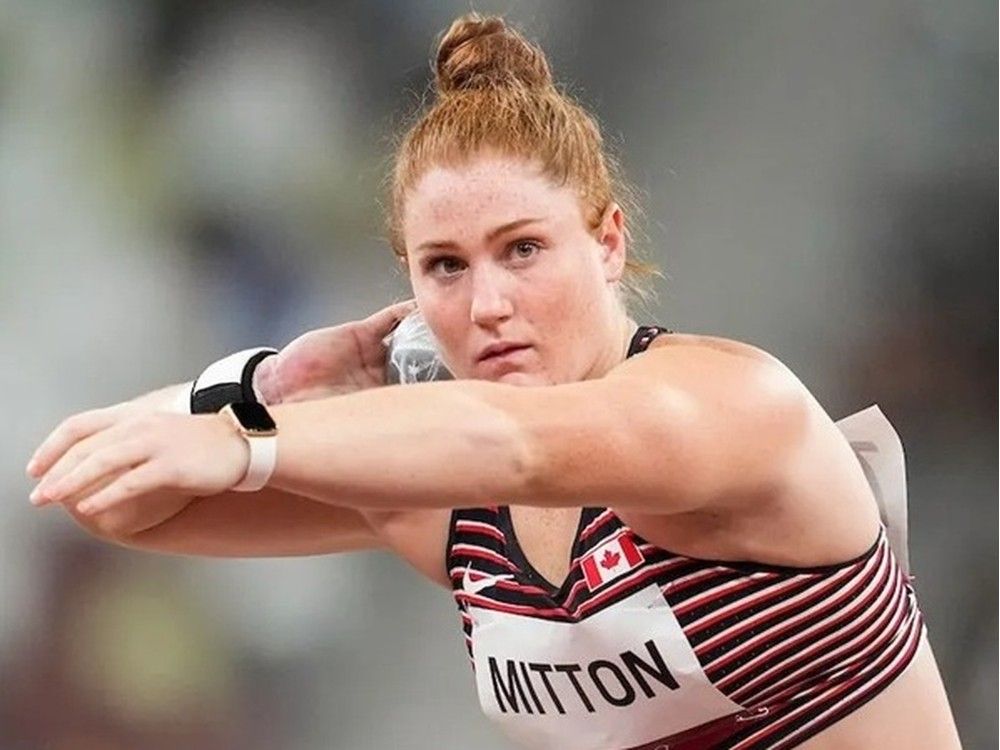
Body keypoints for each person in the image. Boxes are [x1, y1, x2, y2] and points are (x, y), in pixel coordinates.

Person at [26, 14, 961, 750]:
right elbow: (108, 498)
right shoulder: (448, 499)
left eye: (523, 249)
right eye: (445, 266)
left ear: (607, 242)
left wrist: (244, 442)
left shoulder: (729, 406)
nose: (488, 304)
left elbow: (514, 445)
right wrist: (272, 377)